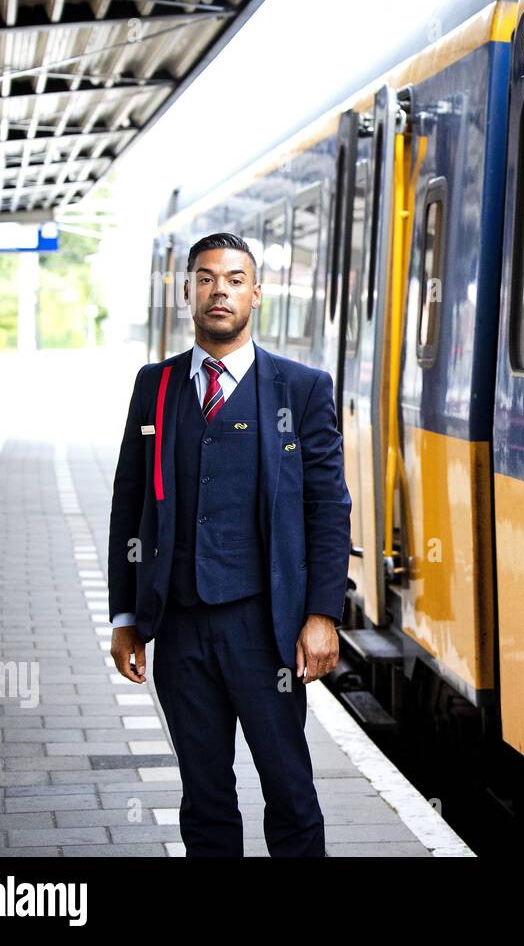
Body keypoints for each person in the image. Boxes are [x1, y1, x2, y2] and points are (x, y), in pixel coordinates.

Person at [106, 232, 351, 856]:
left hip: (264, 627)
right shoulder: (154, 386)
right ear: (188, 289)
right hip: (181, 627)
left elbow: (328, 508)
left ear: (257, 294)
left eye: (235, 279)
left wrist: (322, 615)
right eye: (207, 277)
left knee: (291, 792)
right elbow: (129, 505)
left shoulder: (300, 388)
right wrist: (125, 618)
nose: (221, 290)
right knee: (205, 798)